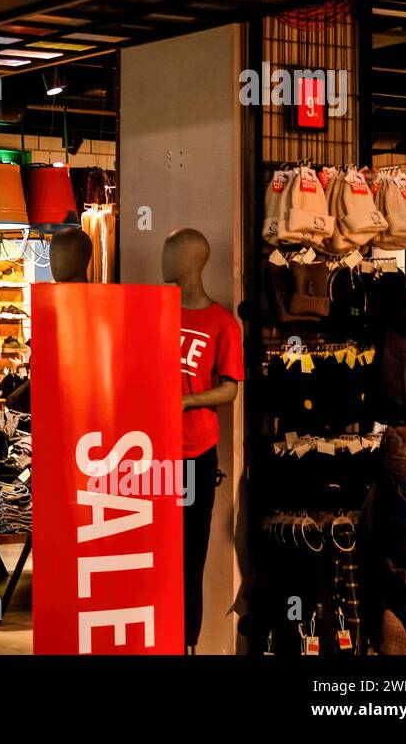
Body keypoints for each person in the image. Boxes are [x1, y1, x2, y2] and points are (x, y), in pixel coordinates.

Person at [161, 227, 242, 652]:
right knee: (155, 554)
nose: (162, 260)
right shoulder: (156, 312)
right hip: (150, 456)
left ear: (190, 261)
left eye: (169, 252)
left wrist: (187, 401)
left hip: (195, 455)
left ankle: (186, 644)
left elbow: (230, 388)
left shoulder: (222, 323)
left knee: (190, 558)